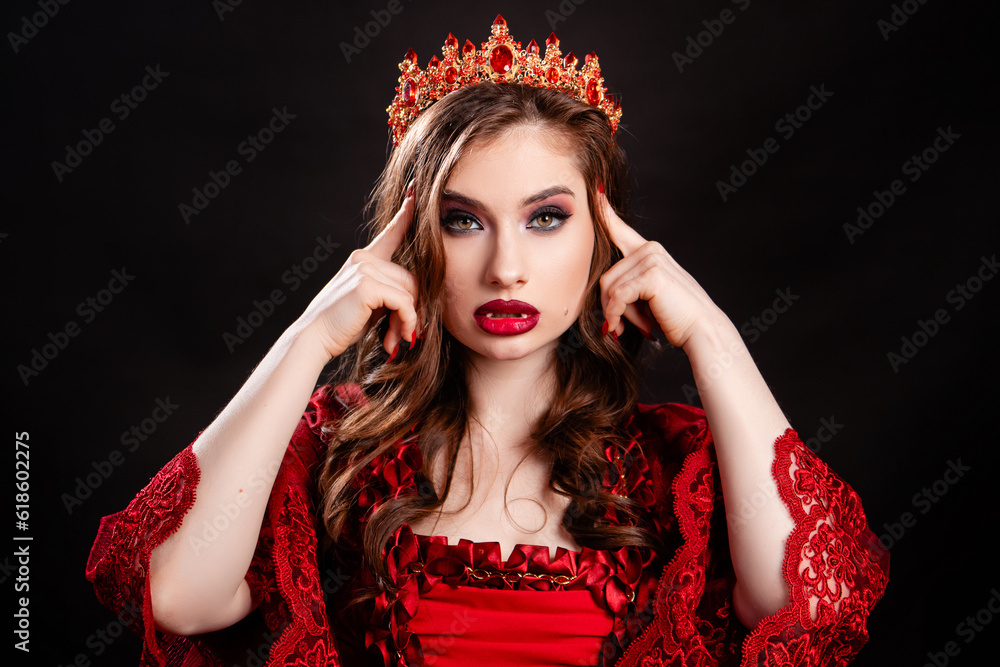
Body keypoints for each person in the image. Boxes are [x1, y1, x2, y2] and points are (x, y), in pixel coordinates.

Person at [86, 16, 889, 667]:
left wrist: (711, 332)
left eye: (546, 218)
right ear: (411, 240)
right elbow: (176, 597)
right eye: (462, 220)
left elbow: (812, 609)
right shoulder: (337, 445)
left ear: (604, 233)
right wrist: (306, 338)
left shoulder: (673, 466)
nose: (506, 267)